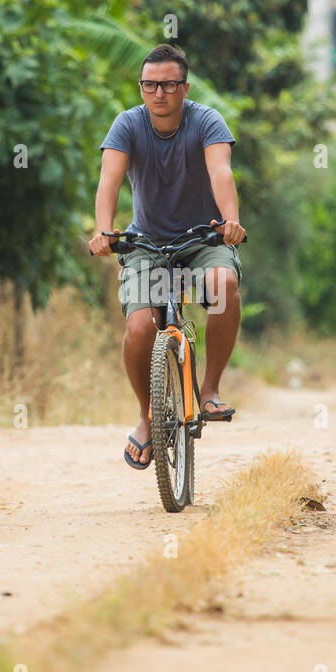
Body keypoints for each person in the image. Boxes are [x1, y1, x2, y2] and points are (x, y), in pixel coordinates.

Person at [87, 44, 247, 470]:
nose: (159, 93)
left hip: (202, 240)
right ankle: (148, 416)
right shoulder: (127, 125)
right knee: (140, 328)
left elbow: (221, 172)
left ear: (184, 87)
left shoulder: (207, 120)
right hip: (147, 243)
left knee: (223, 285)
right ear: (141, 88)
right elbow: (109, 181)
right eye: (150, 85)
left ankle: (209, 390)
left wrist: (230, 220)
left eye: (169, 85)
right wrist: (104, 230)